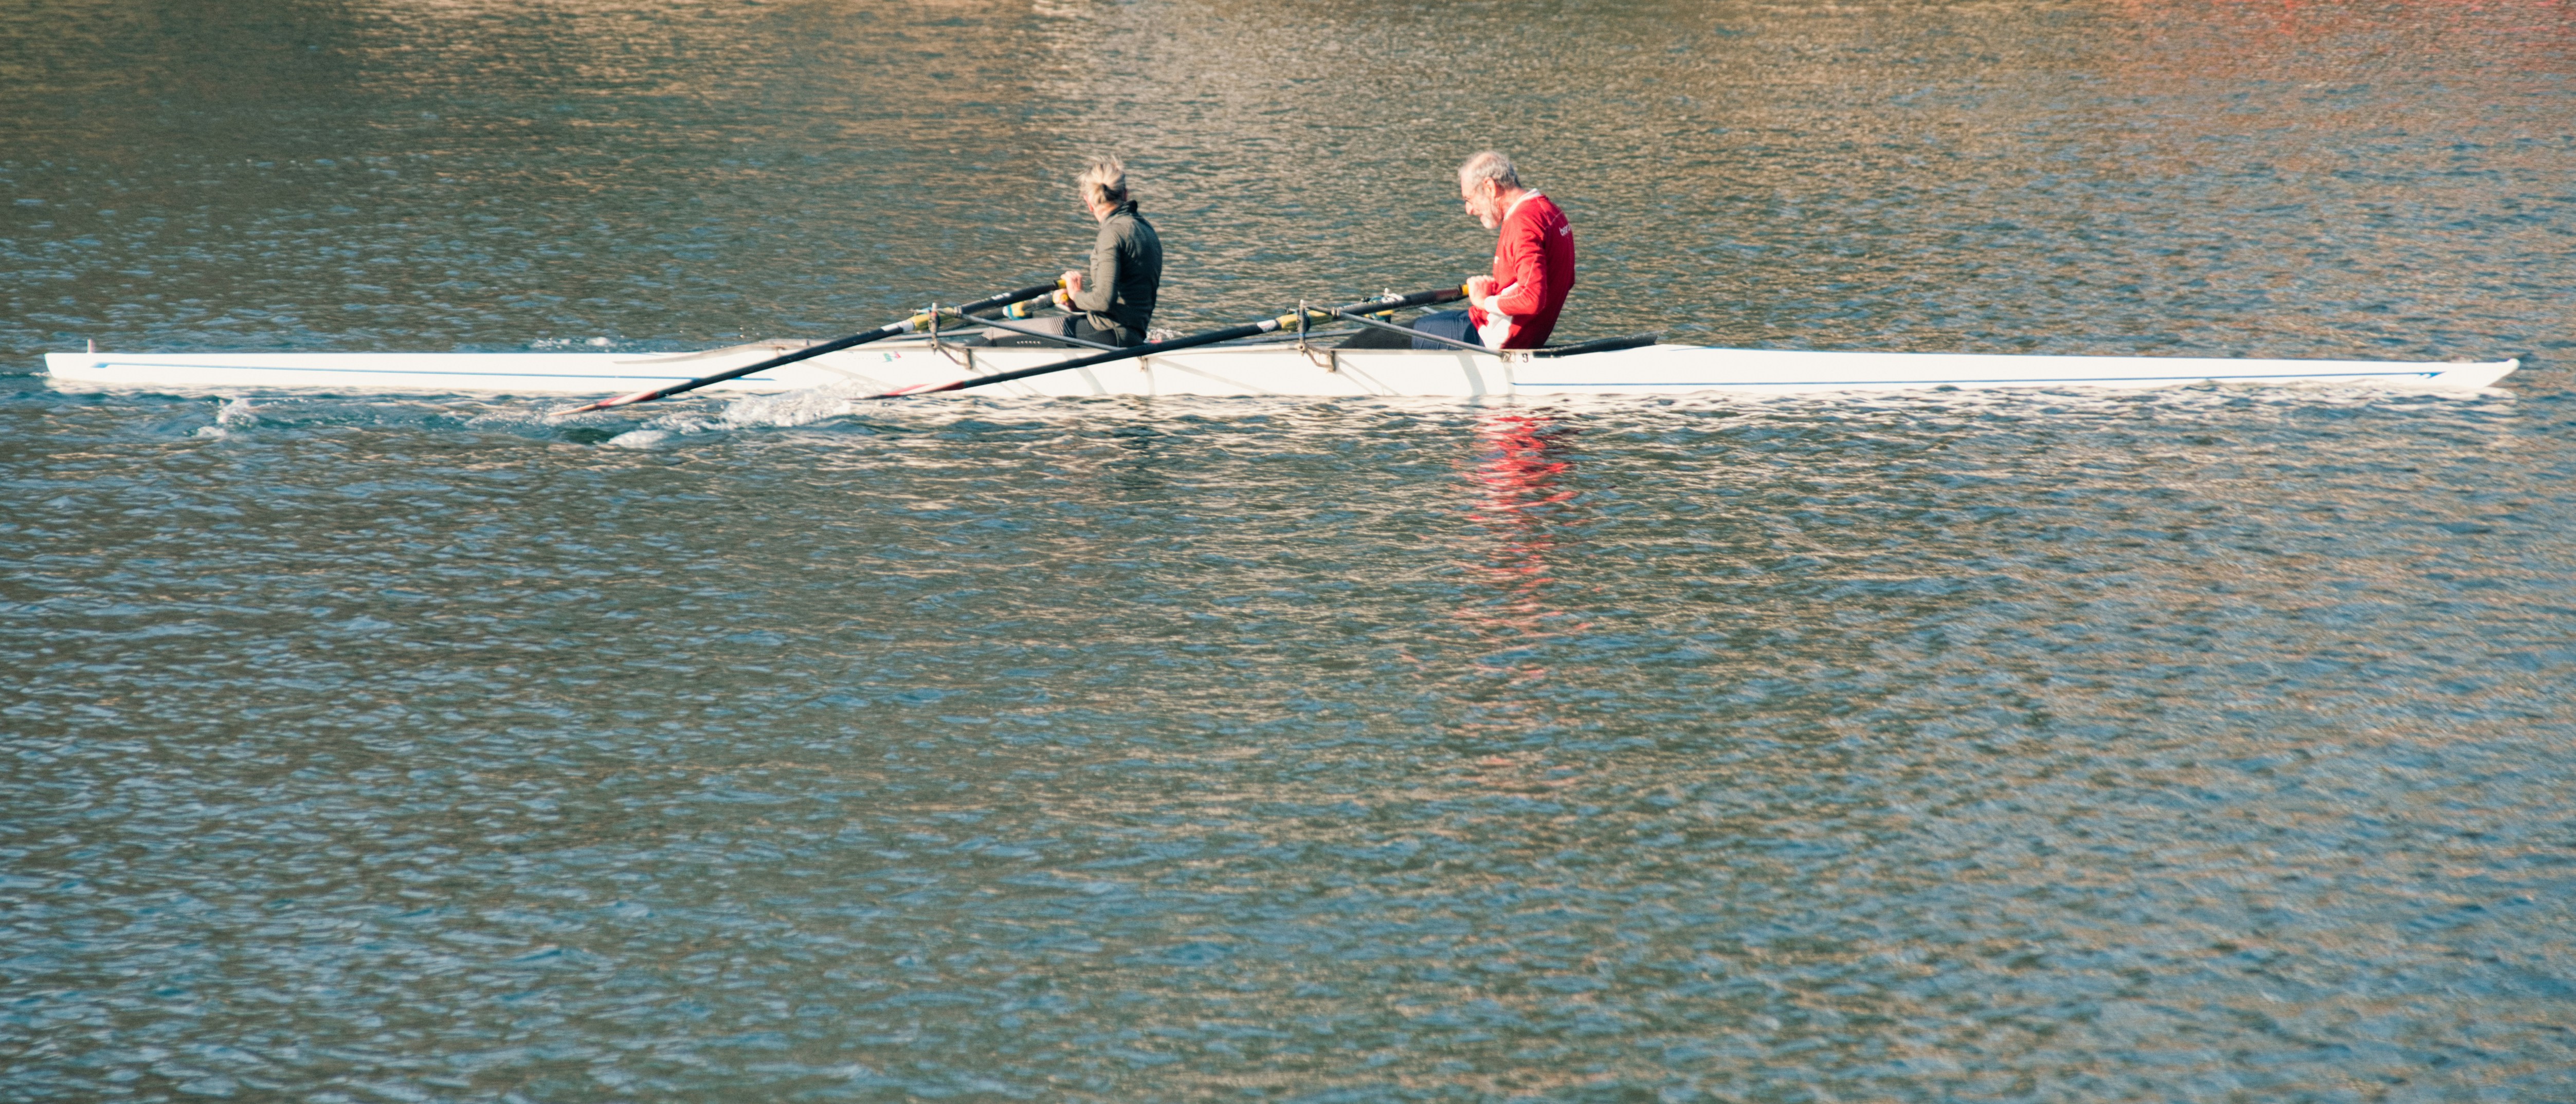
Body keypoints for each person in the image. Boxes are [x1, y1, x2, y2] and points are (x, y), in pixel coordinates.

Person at [1400, 151, 1576, 351]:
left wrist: (1485, 301)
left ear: (1490, 188)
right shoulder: (1551, 211)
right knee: (1416, 325)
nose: (1469, 209)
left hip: (1490, 339)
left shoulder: (1523, 223)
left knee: (1372, 338)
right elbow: (1566, 280)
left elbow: (1531, 299)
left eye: (1469, 199)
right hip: (1501, 328)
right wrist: (1501, 292)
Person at [1052, 155, 1162, 346]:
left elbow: (1104, 301)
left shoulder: (1111, 234)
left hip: (1110, 334)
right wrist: (1079, 303)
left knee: (995, 336)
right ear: (1125, 194)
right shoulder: (1146, 229)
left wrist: (1076, 294)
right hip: (1133, 333)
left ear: (1088, 202)